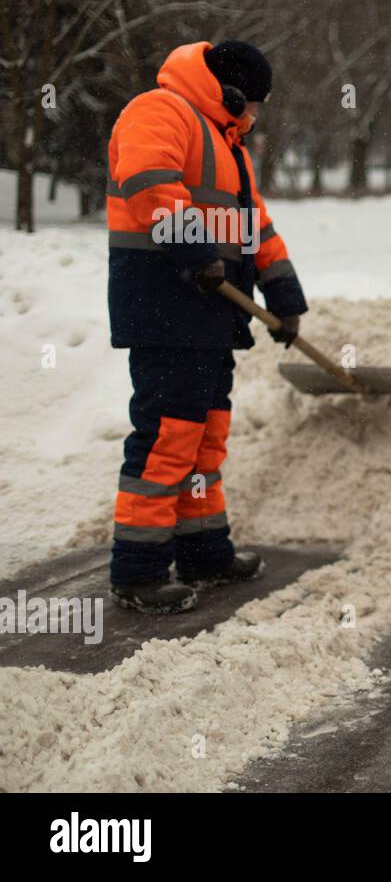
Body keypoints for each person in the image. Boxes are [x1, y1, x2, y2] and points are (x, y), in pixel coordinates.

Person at [105, 40, 308, 613]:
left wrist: (284, 294)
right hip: (165, 309)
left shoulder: (228, 144)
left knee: (204, 438)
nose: (256, 115)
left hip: (213, 315)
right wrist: (195, 252)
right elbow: (149, 186)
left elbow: (256, 228)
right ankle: (138, 570)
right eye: (255, 103)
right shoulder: (159, 110)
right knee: (167, 437)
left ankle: (203, 552)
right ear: (233, 93)